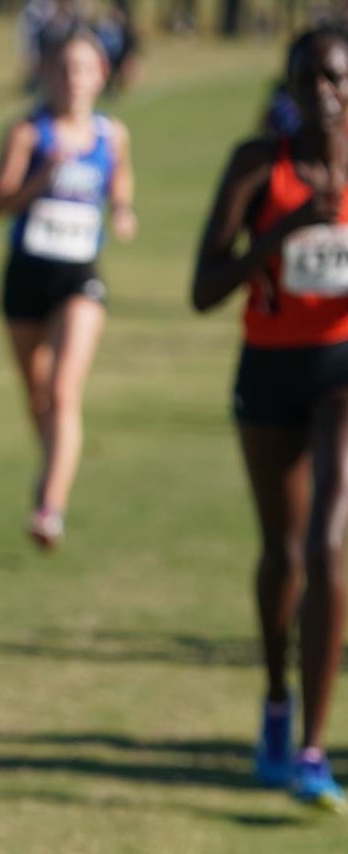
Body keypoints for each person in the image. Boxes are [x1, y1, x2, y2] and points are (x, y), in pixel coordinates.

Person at [190, 26, 348, 811]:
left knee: (329, 542)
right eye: (309, 78)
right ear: (289, 89)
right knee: (282, 552)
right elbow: (204, 287)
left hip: (341, 369)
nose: (323, 91)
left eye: (336, 77)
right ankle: (278, 699)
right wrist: (280, 237)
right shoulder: (260, 165)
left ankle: (315, 749)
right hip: (268, 371)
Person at [0, 29, 134, 550]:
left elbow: (120, 183)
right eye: (64, 68)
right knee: (40, 395)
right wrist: (38, 182)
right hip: (26, 275)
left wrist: (122, 210)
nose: (74, 78)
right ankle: (53, 462)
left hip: (80, 276)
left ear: (101, 75)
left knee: (65, 391)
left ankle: (50, 506)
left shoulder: (112, 135)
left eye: (84, 68)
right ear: (49, 74)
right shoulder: (28, 133)